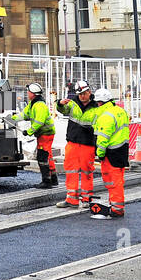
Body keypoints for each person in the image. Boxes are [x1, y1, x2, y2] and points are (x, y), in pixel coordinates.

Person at [55, 80, 100, 209]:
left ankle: (86, 199)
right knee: (71, 171)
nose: (82, 96)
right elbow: (62, 110)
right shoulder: (73, 103)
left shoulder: (96, 107)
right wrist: (59, 103)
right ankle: (71, 199)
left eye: (84, 93)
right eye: (80, 94)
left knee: (87, 171)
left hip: (87, 143)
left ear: (89, 92)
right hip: (73, 142)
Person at [90, 88, 131, 219]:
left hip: (111, 152)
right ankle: (114, 205)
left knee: (113, 181)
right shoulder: (120, 111)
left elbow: (103, 138)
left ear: (100, 102)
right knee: (117, 180)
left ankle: (117, 209)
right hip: (122, 150)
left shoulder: (105, 116)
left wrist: (100, 154)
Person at [13, 83, 58, 187]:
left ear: (33, 93)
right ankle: (53, 179)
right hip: (44, 134)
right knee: (48, 156)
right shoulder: (33, 104)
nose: (27, 93)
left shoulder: (39, 105)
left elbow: (39, 122)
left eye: (28, 92)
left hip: (45, 134)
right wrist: (13, 118)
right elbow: (24, 114)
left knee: (42, 157)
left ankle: (46, 181)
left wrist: (28, 132)